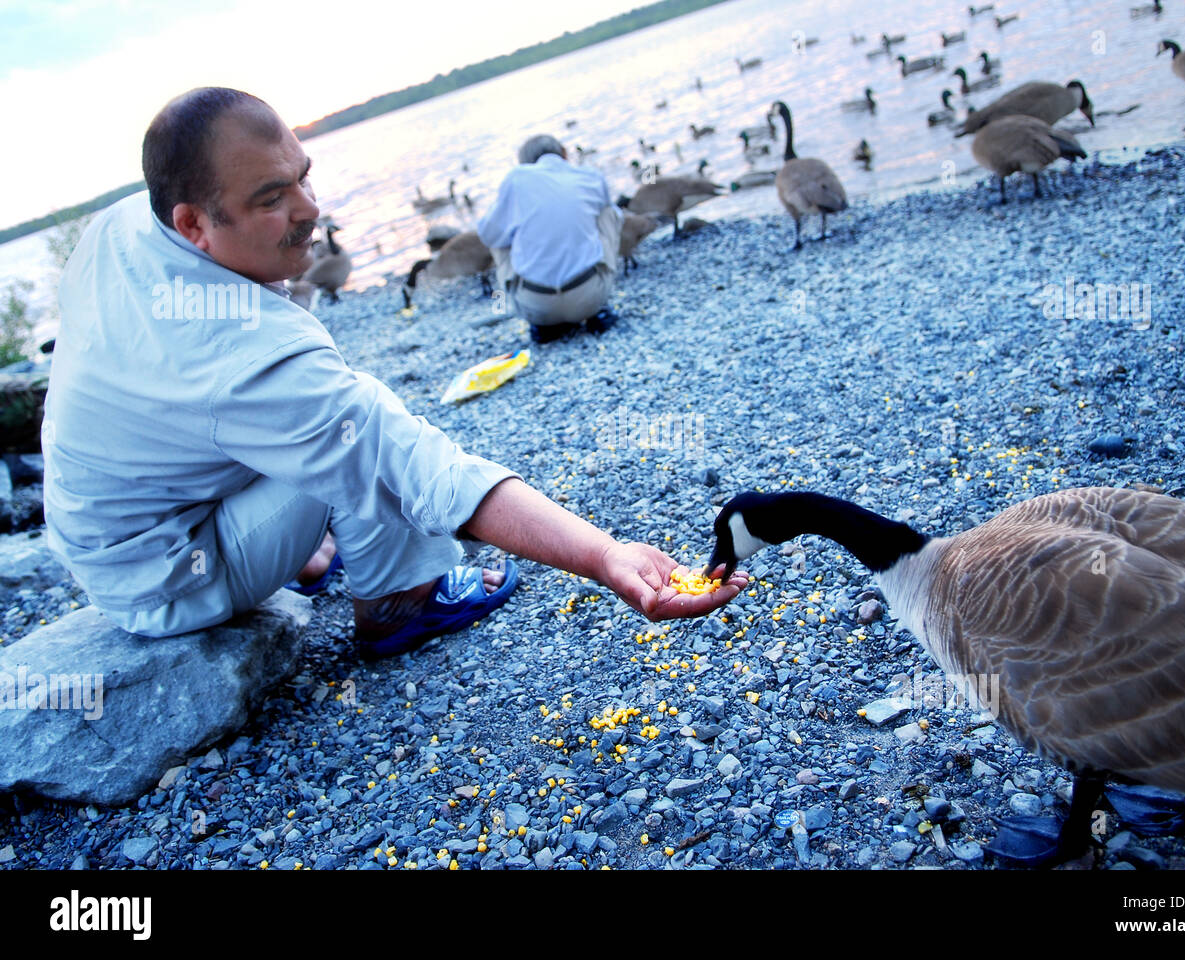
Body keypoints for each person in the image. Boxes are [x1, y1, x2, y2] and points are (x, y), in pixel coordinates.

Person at [42, 87, 743, 661]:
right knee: (358, 422)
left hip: (103, 530)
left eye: (303, 176)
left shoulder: (120, 227)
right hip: (165, 577)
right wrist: (604, 554)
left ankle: (306, 553)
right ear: (194, 223)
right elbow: (419, 466)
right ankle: (398, 602)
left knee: (311, 424)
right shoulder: (243, 355)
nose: (311, 210)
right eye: (270, 198)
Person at [477, 134, 622, 343]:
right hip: (590, 297)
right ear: (564, 153)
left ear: (524, 163)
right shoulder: (591, 176)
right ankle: (597, 313)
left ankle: (546, 324)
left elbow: (487, 235)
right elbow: (613, 217)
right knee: (608, 213)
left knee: (496, 234)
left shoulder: (517, 178)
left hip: (536, 306)